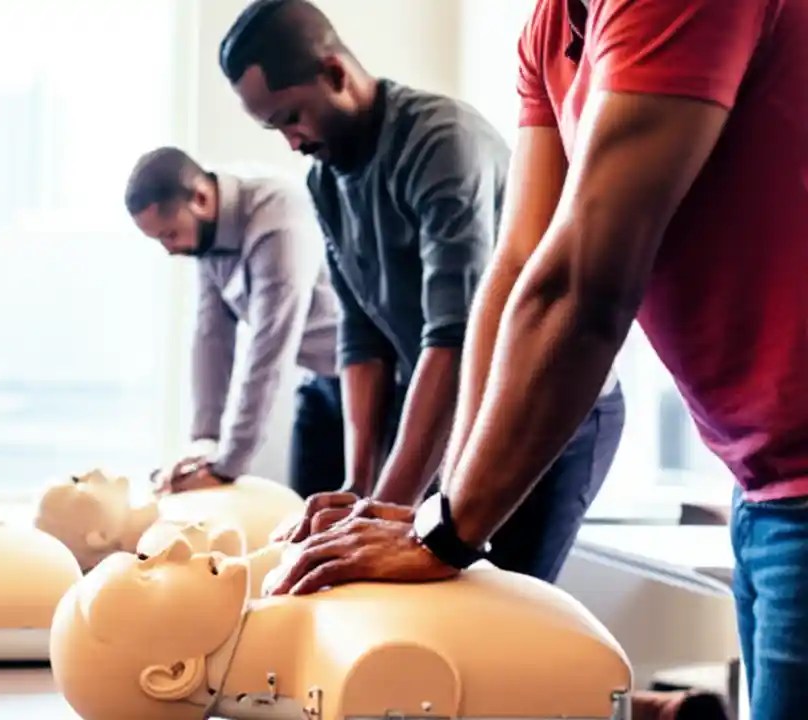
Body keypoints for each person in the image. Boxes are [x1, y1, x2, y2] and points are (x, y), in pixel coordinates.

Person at [263, 0, 807, 717]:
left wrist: (447, 530)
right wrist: (435, 509)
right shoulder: (553, 28)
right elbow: (517, 266)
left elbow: (583, 281)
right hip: (759, 472)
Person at [217, 0, 624, 584]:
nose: (290, 141)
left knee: (497, 618)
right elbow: (361, 341)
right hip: (456, 413)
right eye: (273, 127)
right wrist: (360, 488)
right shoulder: (325, 180)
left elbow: (453, 338)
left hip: (549, 407)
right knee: (425, 603)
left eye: (291, 117)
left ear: (334, 74)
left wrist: (385, 507)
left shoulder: (440, 142)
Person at [124, 147, 344, 498]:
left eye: (169, 234)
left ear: (200, 197)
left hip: (378, 380)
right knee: (310, 512)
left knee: (372, 517)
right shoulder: (204, 234)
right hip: (320, 376)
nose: (169, 249)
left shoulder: (277, 214)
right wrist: (204, 442)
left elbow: (269, 343)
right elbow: (211, 335)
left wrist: (228, 464)